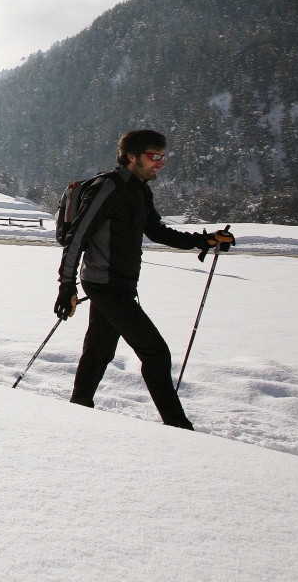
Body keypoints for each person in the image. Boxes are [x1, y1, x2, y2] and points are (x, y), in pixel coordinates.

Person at [56, 129, 235, 430]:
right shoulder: (107, 187)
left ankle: (79, 408)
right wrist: (66, 286)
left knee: (99, 351)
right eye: (154, 157)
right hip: (105, 285)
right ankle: (178, 426)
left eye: (163, 157)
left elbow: (158, 231)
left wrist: (204, 241)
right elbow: (78, 238)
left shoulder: (139, 190)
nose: (161, 164)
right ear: (131, 156)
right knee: (155, 352)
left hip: (120, 285)